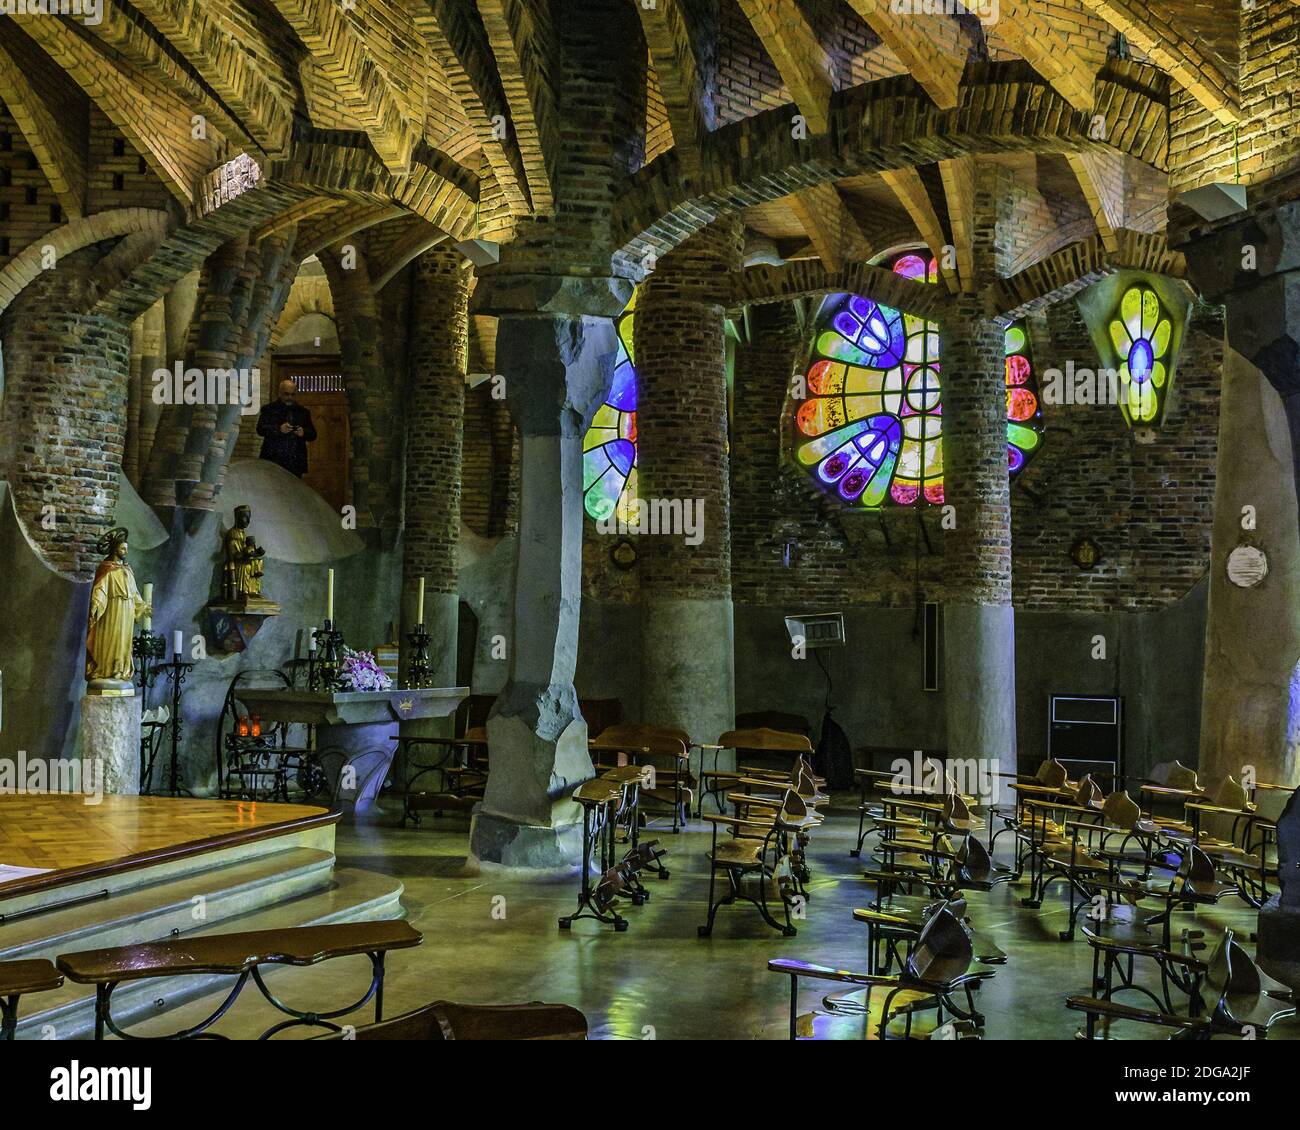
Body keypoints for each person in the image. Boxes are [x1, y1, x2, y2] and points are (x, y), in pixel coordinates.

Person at [85, 527, 151, 690]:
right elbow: (101, 589)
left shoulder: (127, 570)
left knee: (123, 642)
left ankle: (120, 670)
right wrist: (96, 604)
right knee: (111, 639)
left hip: (126, 611)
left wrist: (142, 606)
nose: (125, 552)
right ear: (115, 549)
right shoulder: (107, 568)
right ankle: (106, 670)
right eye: (122, 548)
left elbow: (134, 592)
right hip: (112, 610)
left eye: (126, 549)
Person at [256, 379, 317, 476]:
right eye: (286, 394)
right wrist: (278, 429)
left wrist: (303, 432)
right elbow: (260, 429)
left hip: (295, 460)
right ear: (280, 393)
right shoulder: (269, 409)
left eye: (292, 395)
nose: (290, 397)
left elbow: (313, 434)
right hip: (274, 458)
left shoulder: (302, 412)